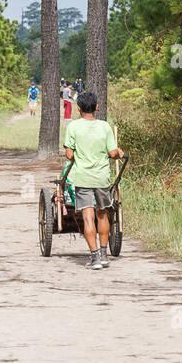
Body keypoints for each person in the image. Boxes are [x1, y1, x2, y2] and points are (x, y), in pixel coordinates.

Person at [63, 89, 124, 271]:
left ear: (78, 108)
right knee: (102, 214)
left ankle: (95, 258)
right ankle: (105, 255)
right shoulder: (105, 127)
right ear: (97, 107)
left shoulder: (73, 127)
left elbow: (69, 155)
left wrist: (79, 156)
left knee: (88, 218)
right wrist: (118, 152)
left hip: (83, 178)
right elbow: (113, 153)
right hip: (101, 178)